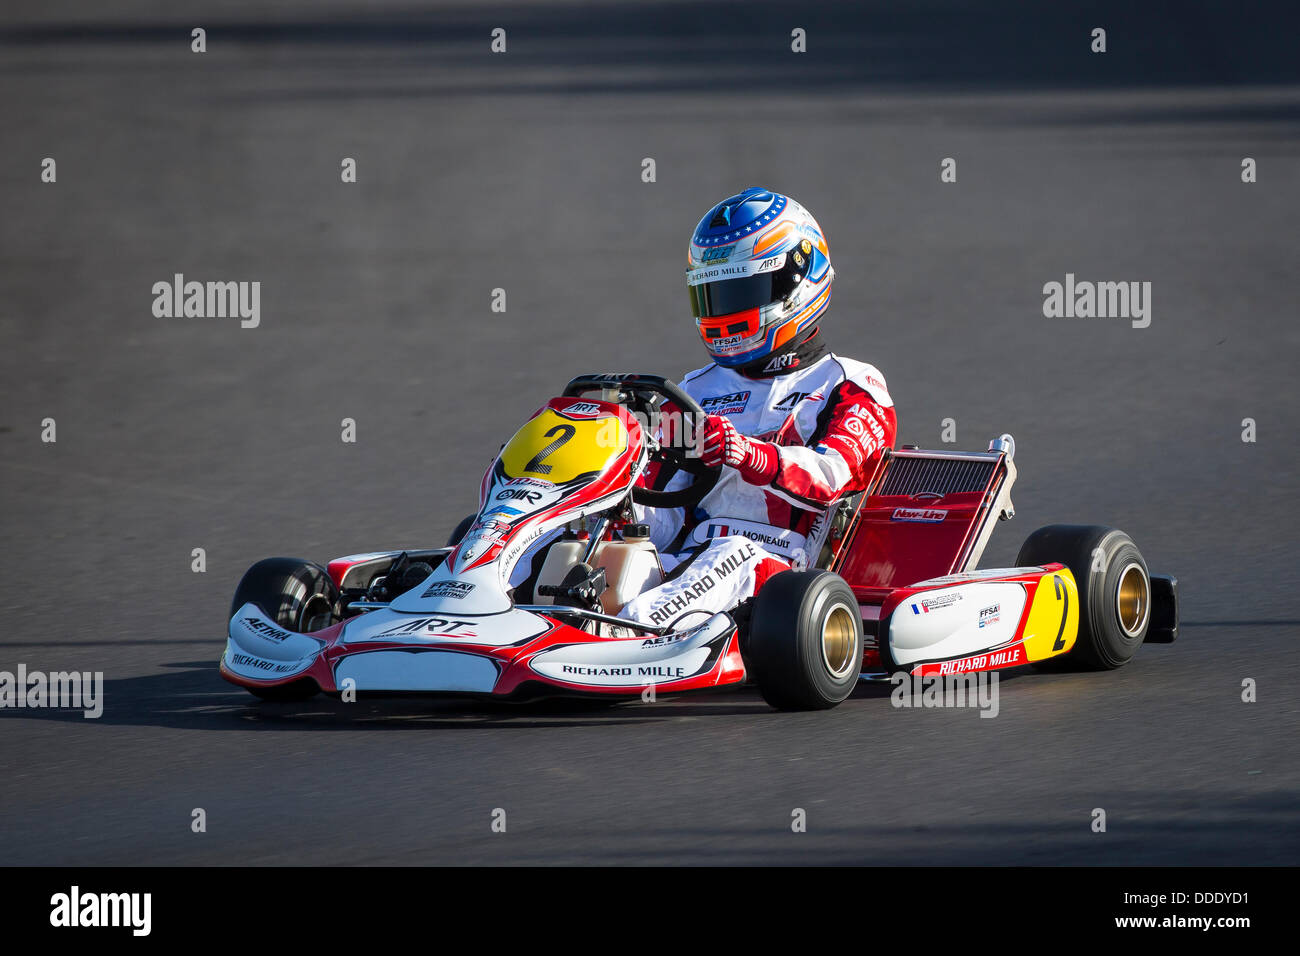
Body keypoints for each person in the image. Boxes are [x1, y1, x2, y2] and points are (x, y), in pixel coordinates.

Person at [618, 187, 897, 629]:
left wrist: (747, 453)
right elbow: (664, 504)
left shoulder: (850, 384)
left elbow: (832, 474)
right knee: (588, 543)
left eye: (741, 292)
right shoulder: (692, 388)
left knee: (726, 558)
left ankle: (627, 637)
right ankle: (485, 607)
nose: (724, 312)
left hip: (778, 568)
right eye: (714, 296)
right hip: (686, 555)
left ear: (796, 282)